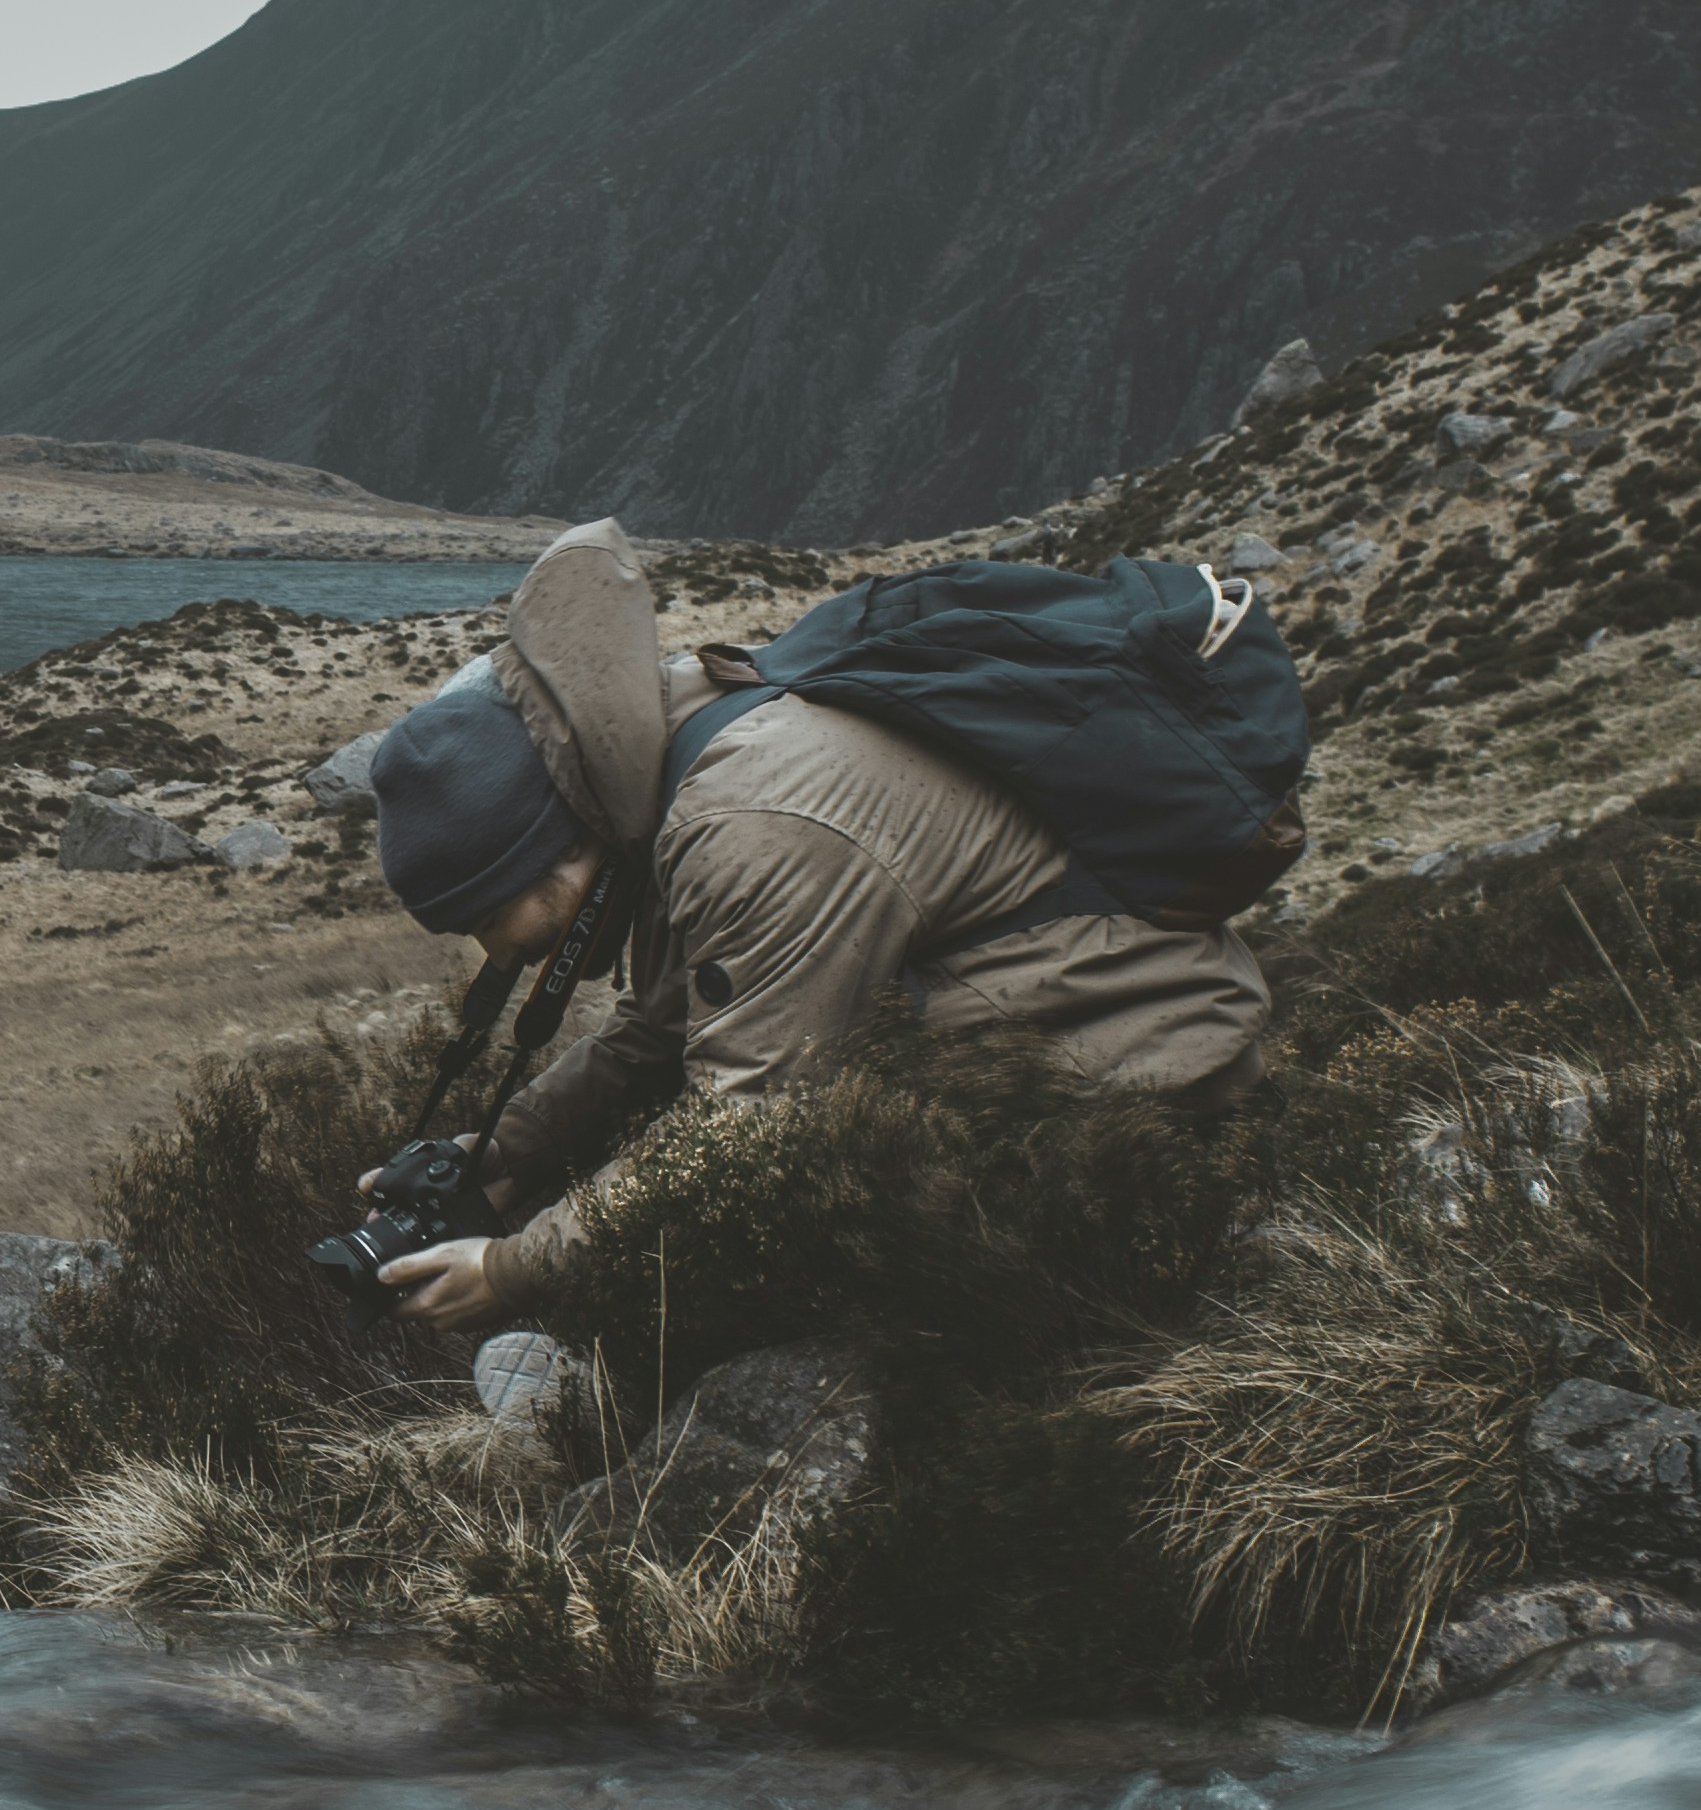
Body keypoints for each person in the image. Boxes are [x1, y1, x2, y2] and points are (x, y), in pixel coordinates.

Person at [364, 520, 1276, 1329]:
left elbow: (748, 1123)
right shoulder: (667, 763)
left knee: (809, 1202)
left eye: (493, 915)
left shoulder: (750, 830)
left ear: (560, 843)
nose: (503, 954)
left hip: (1143, 1063)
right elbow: (663, 1021)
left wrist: (511, 1270)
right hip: (1076, 1022)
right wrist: (496, 1155)